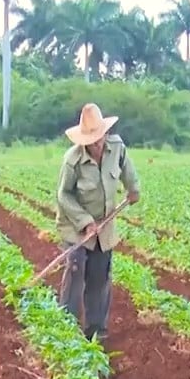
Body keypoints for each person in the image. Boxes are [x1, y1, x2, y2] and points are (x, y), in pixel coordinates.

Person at [55, 103, 140, 343]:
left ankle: (96, 329)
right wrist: (85, 222)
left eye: (100, 138)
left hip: (105, 227)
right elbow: (64, 196)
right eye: (92, 140)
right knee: (76, 272)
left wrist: (133, 189)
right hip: (75, 227)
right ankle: (66, 326)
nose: (98, 144)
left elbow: (127, 169)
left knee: (100, 276)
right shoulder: (72, 160)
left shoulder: (117, 147)